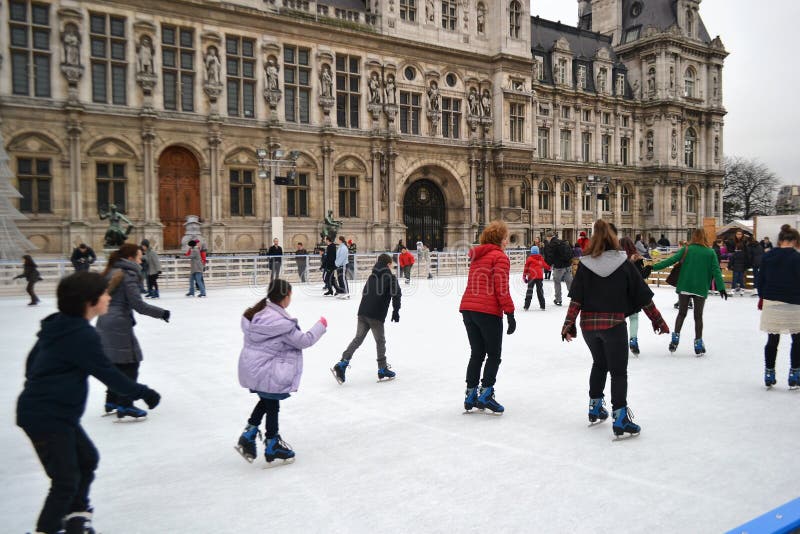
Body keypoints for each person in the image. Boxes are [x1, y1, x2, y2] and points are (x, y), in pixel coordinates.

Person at [16, 272, 161, 534]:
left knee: (87, 459)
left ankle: (76, 517)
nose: (108, 297)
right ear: (90, 301)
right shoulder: (80, 334)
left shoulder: (58, 324)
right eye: (105, 293)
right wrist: (145, 392)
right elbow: (108, 373)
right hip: (47, 416)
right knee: (65, 480)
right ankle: (47, 529)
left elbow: (31, 364)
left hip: (54, 412)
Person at [561, 220, 669, 438]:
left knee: (599, 364)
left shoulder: (585, 264)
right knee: (618, 372)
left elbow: (576, 299)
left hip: (589, 326)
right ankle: (620, 418)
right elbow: (642, 295)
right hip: (613, 325)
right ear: (613, 238)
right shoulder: (624, 263)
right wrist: (657, 320)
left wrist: (568, 324)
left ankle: (595, 407)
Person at [235, 280, 327, 465]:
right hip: (265, 370)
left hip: (251, 367)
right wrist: (321, 325)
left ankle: (250, 432)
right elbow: (304, 341)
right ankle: (271, 443)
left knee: (267, 400)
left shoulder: (260, 312)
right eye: (290, 296)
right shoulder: (281, 324)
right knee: (272, 402)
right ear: (285, 298)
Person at [96, 243, 170, 420]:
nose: (140, 259)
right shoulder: (128, 274)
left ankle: (111, 400)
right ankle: (125, 404)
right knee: (130, 363)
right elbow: (138, 305)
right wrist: (162, 313)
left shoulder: (111, 270)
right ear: (130, 258)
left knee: (116, 363)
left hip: (104, 320)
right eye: (138, 256)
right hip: (119, 323)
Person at [460, 221, 515, 414]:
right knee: (493, 354)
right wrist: (510, 312)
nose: (507, 242)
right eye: (506, 238)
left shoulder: (478, 256)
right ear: (499, 239)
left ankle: (470, 394)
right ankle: (486, 393)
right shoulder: (499, 257)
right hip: (487, 311)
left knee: (477, 353)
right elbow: (501, 287)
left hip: (468, 309)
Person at [652, 229, 727, 355]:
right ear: (704, 237)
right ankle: (698, 344)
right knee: (698, 317)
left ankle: (674, 340)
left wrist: (652, 267)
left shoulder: (686, 249)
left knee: (681, 314)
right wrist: (721, 287)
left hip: (685, 286)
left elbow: (670, 261)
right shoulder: (710, 252)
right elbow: (716, 271)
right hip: (700, 288)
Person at [332, 254, 402, 384]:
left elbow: (365, 292)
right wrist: (396, 310)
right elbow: (396, 294)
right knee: (380, 341)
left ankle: (342, 363)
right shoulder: (390, 278)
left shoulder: (372, 276)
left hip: (363, 312)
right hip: (376, 315)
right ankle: (382, 369)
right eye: (391, 264)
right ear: (388, 265)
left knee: (358, 339)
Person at [757, 224, 800, 389]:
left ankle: (769, 372)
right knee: (797, 339)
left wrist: (763, 295)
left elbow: (760, 280)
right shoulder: (797, 258)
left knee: (772, 339)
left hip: (772, 301)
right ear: (794, 240)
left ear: (780, 240)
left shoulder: (768, 257)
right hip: (794, 302)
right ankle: (795, 373)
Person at [619, 237, 654, 356]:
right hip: (633, 293)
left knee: (620, 319)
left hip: (620, 293)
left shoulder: (617, 259)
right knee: (634, 318)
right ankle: (633, 340)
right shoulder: (636, 258)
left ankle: (621, 343)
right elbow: (641, 276)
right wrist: (648, 268)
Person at [544, 232, 574, 306]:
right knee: (569, 282)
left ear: (549, 237)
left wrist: (547, 266)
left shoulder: (552, 244)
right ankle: (575, 299)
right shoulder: (562, 241)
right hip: (568, 265)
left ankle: (558, 299)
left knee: (557, 282)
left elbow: (550, 257)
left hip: (559, 267)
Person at [523, 246, 549, 311]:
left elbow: (526, 267)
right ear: (538, 251)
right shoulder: (541, 258)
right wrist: (549, 267)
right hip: (539, 277)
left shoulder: (529, 258)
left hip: (531, 277)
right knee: (540, 291)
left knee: (529, 291)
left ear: (531, 252)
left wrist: (524, 276)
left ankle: (526, 306)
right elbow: (545, 265)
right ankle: (542, 305)